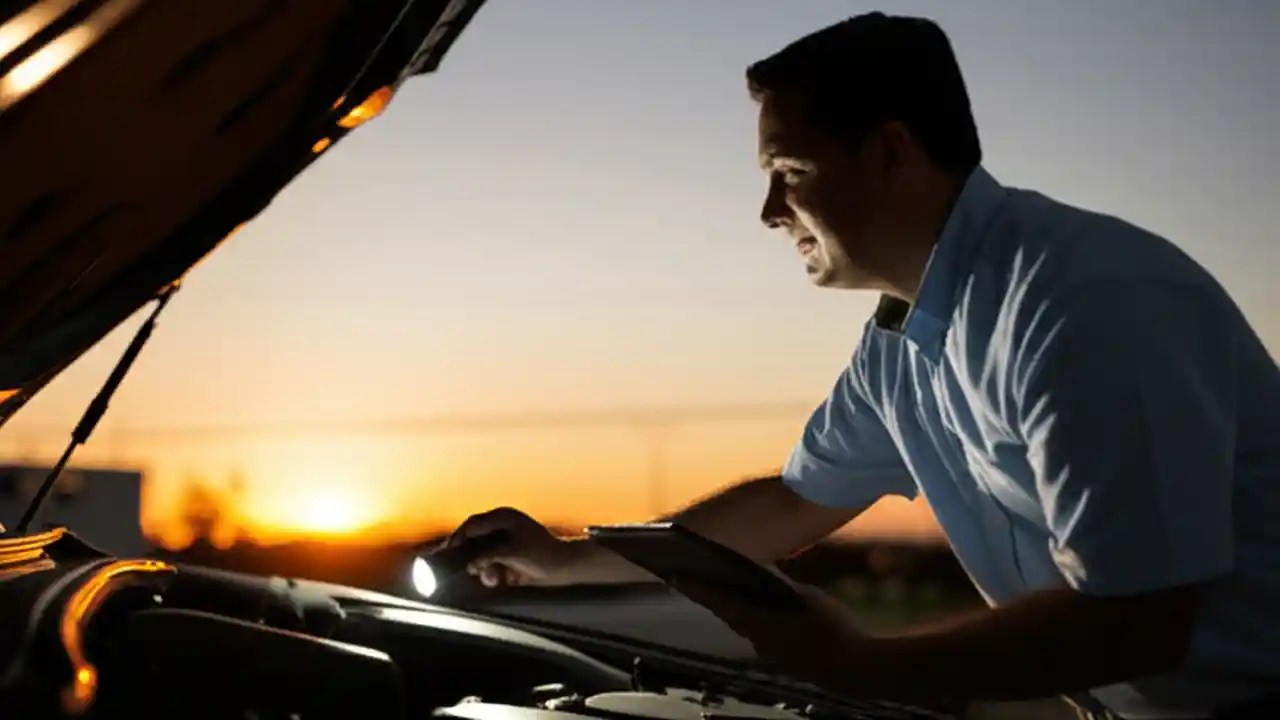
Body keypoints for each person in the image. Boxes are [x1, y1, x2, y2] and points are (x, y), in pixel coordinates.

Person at [441, 12, 1280, 720]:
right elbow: (792, 502)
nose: (770, 212)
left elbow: (1138, 621)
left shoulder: (1083, 299)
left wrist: (859, 663)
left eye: (789, 173)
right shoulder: (901, 345)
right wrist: (565, 556)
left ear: (889, 152)